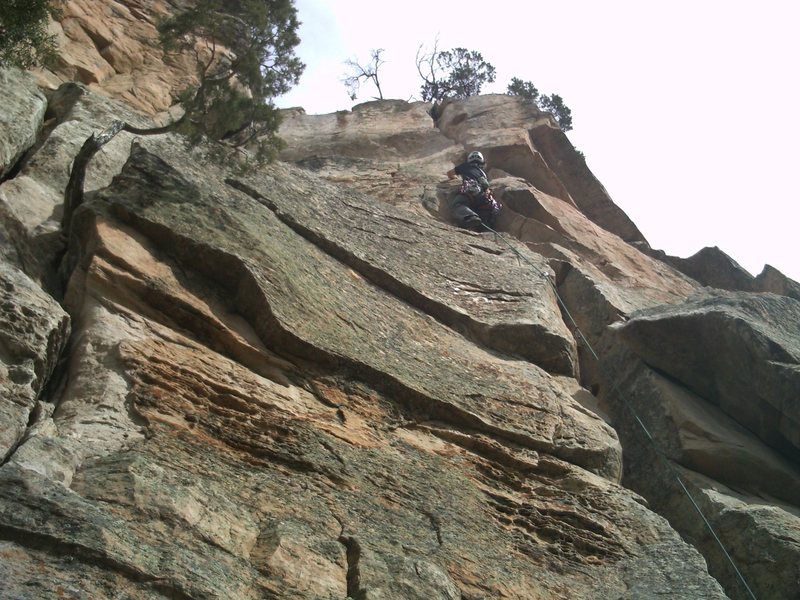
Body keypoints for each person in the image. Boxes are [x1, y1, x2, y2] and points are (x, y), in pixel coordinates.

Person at [447, 150, 501, 231]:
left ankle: (471, 217)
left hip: (471, 191)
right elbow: (485, 185)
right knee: (483, 219)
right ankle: (485, 229)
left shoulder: (466, 166)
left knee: (458, 204)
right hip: (484, 198)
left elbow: (450, 173)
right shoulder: (483, 173)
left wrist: (454, 178)